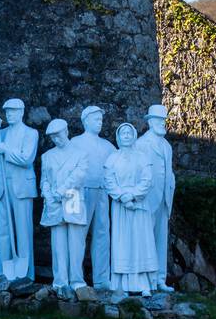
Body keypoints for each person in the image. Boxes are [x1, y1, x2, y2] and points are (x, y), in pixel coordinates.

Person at [0, 97, 38, 280]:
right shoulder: (0, 133)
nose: (10, 114)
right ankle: (2, 270)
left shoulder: (31, 133)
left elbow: (27, 158)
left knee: (23, 230)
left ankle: (25, 273)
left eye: (13, 111)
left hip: (21, 186)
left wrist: (6, 151)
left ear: (21, 112)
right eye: (7, 111)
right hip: (3, 186)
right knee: (3, 230)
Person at [104, 122, 158, 295]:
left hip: (139, 205)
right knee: (123, 243)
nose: (126, 135)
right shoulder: (112, 158)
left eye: (129, 132)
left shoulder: (142, 157)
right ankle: (122, 285)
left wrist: (133, 195)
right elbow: (109, 180)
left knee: (140, 242)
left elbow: (147, 180)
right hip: (120, 207)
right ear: (118, 137)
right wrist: (121, 196)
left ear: (134, 135)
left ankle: (143, 284)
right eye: (123, 133)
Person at [68, 104, 114, 287]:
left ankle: (102, 279)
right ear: (85, 121)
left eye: (101, 119)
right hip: (82, 192)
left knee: (102, 234)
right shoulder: (75, 142)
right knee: (78, 234)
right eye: (96, 119)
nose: (100, 122)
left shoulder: (108, 146)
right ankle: (76, 278)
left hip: (102, 192)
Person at [39, 118, 88, 289]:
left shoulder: (81, 153)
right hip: (54, 203)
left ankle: (76, 281)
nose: (56, 139)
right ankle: (60, 281)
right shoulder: (47, 156)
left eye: (58, 135)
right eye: (53, 137)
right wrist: (48, 194)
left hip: (72, 200)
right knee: (58, 246)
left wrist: (60, 191)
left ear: (66, 132)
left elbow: (78, 176)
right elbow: (44, 179)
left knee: (76, 245)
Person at [137, 103, 176, 292]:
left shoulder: (167, 146)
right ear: (151, 122)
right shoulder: (142, 144)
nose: (163, 123)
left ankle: (160, 278)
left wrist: (170, 188)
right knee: (146, 239)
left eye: (164, 120)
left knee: (161, 239)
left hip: (164, 198)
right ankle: (145, 279)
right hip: (148, 197)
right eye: (159, 120)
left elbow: (169, 171)